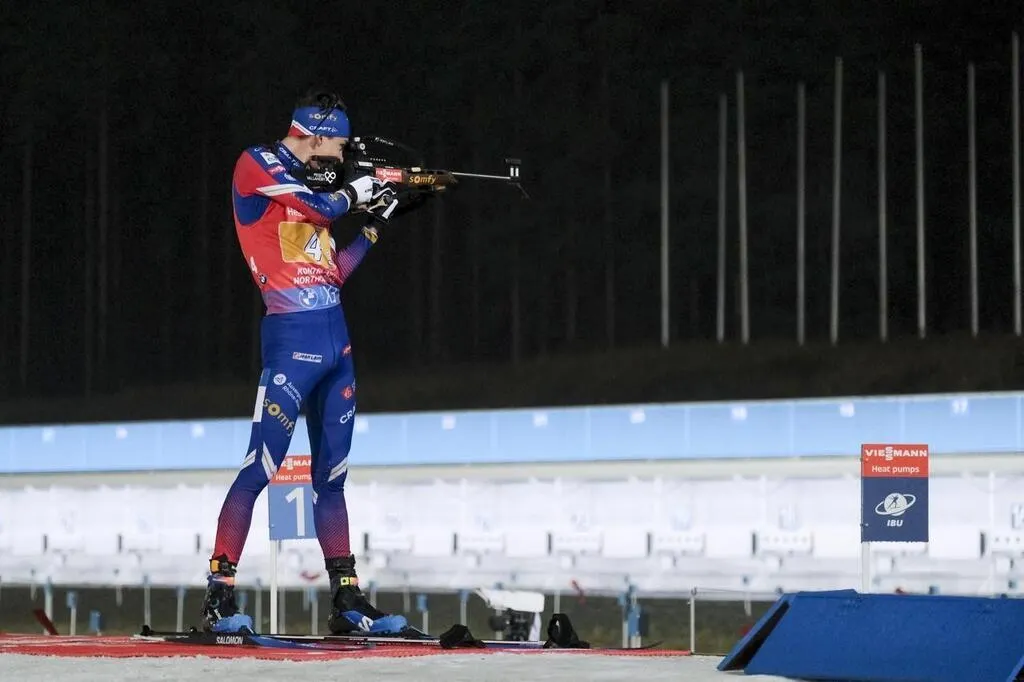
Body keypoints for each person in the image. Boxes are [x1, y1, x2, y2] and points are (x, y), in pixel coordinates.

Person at [201, 89, 407, 635]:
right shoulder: (258, 165)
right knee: (260, 468)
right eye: (336, 146)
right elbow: (322, 204)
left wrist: (375, 225)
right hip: (292, 345)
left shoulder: (303, 200)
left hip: (337, 346)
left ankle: (348, 599)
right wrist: (362, 189)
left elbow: (331, 273)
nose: (339, 157)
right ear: (312, 134)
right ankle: (219, 594)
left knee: (332, 479)